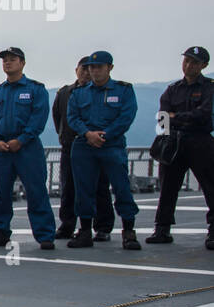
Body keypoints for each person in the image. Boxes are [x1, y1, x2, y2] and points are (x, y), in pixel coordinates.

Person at [0, 47, 57, 250]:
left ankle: (45, 235)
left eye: (12, 59)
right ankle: (0, 232)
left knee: (36, 191)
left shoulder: (36, 90)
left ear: (22, 63)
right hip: (2, 149)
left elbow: (38, 119)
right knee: (2, 193)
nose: (7, 63)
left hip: (27, 149)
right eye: (5, 60)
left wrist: (21, 140)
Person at [65, 51, 141, 250]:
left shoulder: (123, 90)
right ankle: (85, 231)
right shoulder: (79, 93)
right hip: (84, 145)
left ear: (110, 68)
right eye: (91, 67)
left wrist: (104, 136)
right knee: (83, 190)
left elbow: (126, 117)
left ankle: (129, 231)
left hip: (112, 145)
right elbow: (72, 118)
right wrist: (88, 134)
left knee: (121, 187)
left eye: (99, 67)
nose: (94, 70)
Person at [149, 46, 214, 249]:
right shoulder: (173, 89)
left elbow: (205, 114)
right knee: (167, 187)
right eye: (186, 61)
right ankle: (162, 229)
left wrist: (177, 118)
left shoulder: (209, 87)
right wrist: (178, 120)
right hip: (174, 142)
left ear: (204, 65)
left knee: (211, 187)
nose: (188, 65)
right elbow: (163, 119)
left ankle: (213, 231)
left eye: (194, 62)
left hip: (201, 142)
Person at [51, 57, 114, 240]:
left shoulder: (100, 92)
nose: (87, 72)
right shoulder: (64, 93)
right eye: (83, 68)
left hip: (95, 147)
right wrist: (64, 135)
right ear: (76, 70)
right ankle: (67, 224)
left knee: (100, 187)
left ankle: (102, 227)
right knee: (68, 188)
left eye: (90, 68)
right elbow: (58, 117)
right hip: (70, 147)